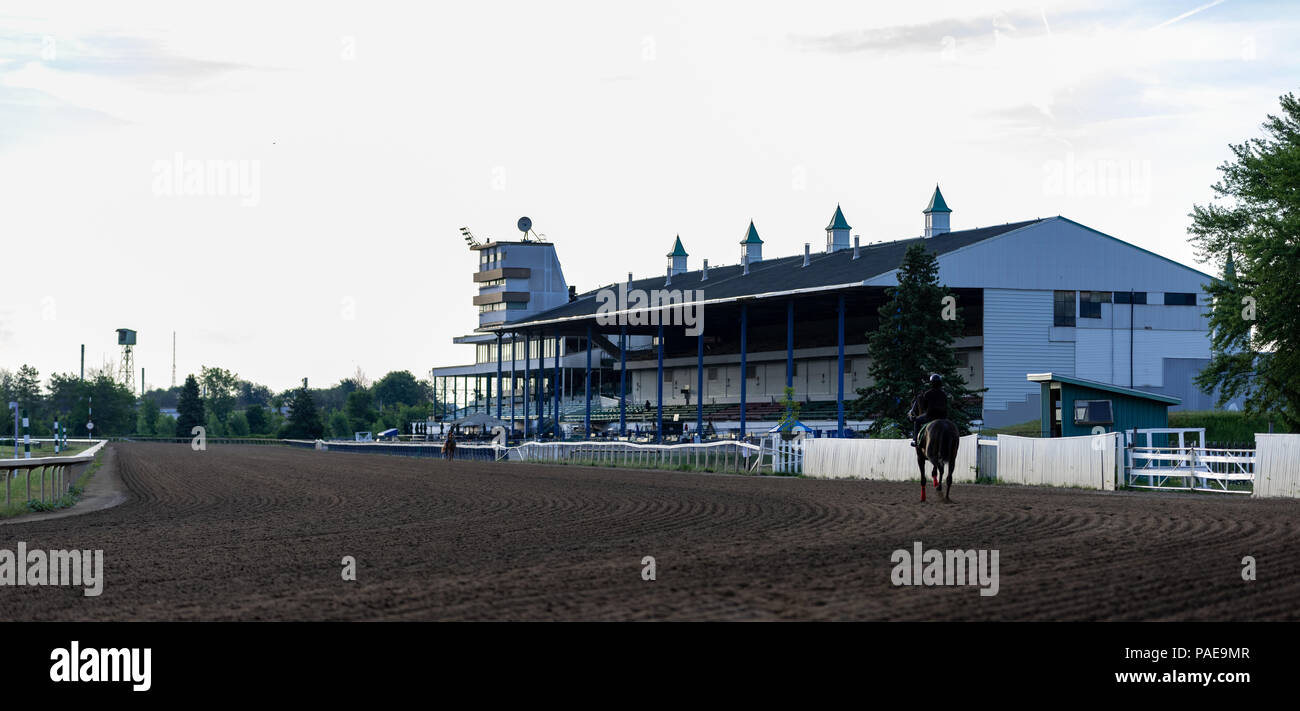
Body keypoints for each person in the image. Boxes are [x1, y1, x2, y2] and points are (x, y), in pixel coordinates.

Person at [910, 374, 948, 447]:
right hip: (943, 417)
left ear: (931, 383)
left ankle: (915, 440)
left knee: (917, 421)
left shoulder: (927, 393)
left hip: (930, 416)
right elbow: (945, 405)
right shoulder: (944, 394)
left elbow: (924, 407)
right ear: (940, 383)